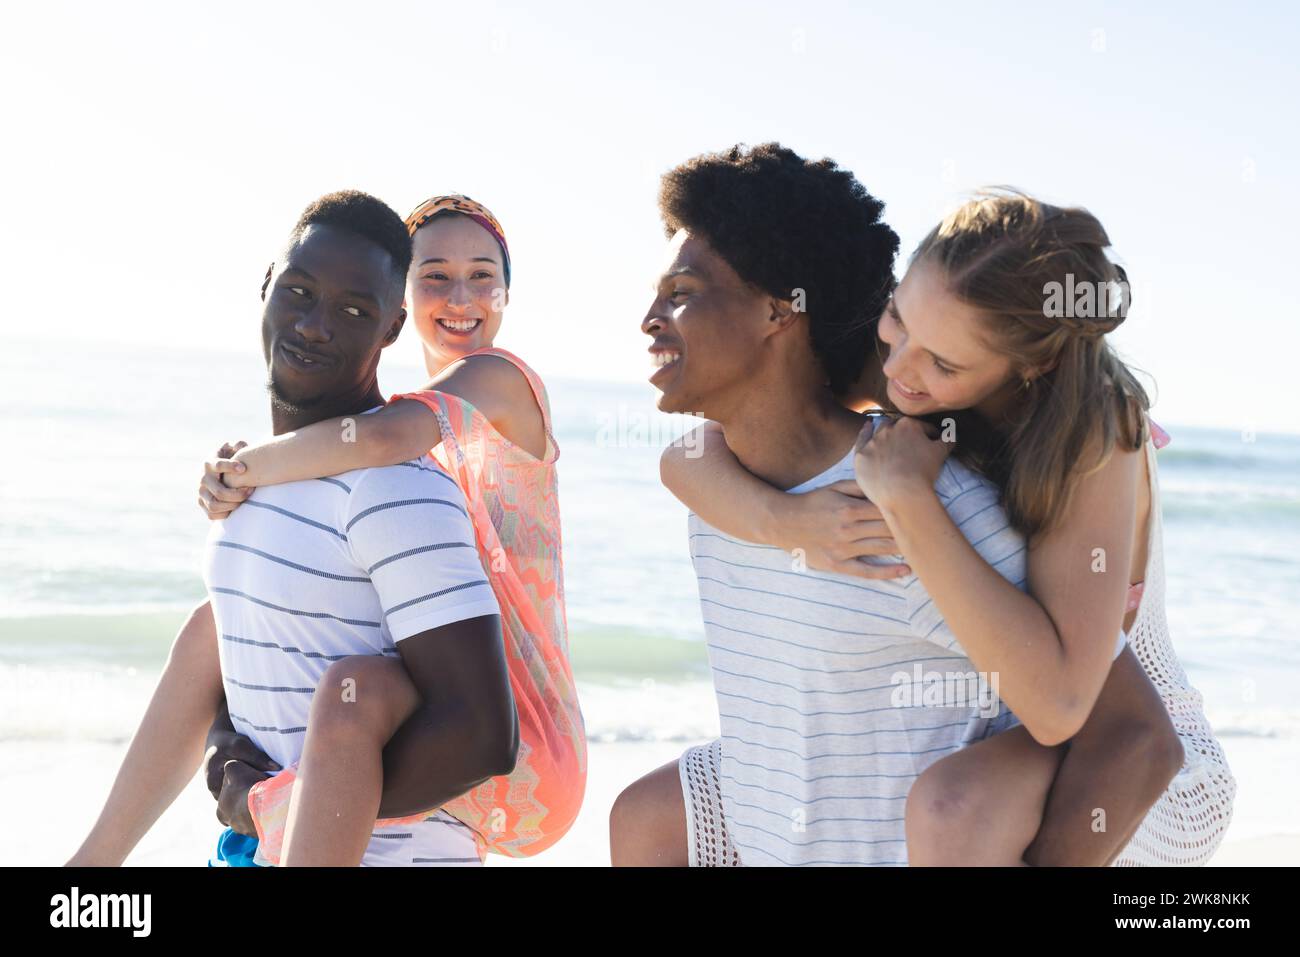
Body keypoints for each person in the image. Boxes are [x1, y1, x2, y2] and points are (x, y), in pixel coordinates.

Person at [610, 144, 1189, 867]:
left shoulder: (1088, 436)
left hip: (1126, 747)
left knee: (956, 809)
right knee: (652, 816)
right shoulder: (901, 358)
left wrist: (909, 500)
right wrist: (790, 524)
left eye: (942, 363)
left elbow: (1112, 725)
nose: (900, 370)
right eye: (895, 320)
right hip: (1031, 697)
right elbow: (700, 451)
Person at [70, 190, 518, 867]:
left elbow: (481, 734)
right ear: (266, 286)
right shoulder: (255, 481)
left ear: (391, 328)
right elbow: (247, 658)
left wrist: (284, 801)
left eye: (353, 310)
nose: (314, 326)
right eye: (300, 292)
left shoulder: (393, 488)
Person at [197, 193, 586, 863]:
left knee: (361, 691)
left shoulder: (498, 379)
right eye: (434, 274)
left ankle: (288, 804)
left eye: (481, 275)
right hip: (470, 721)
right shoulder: (425, 419)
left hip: (528, 731)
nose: (458, 294)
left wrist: (242, 470)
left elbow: (376, 438)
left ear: (507, 293)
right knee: (207, 630)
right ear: (404, 298)